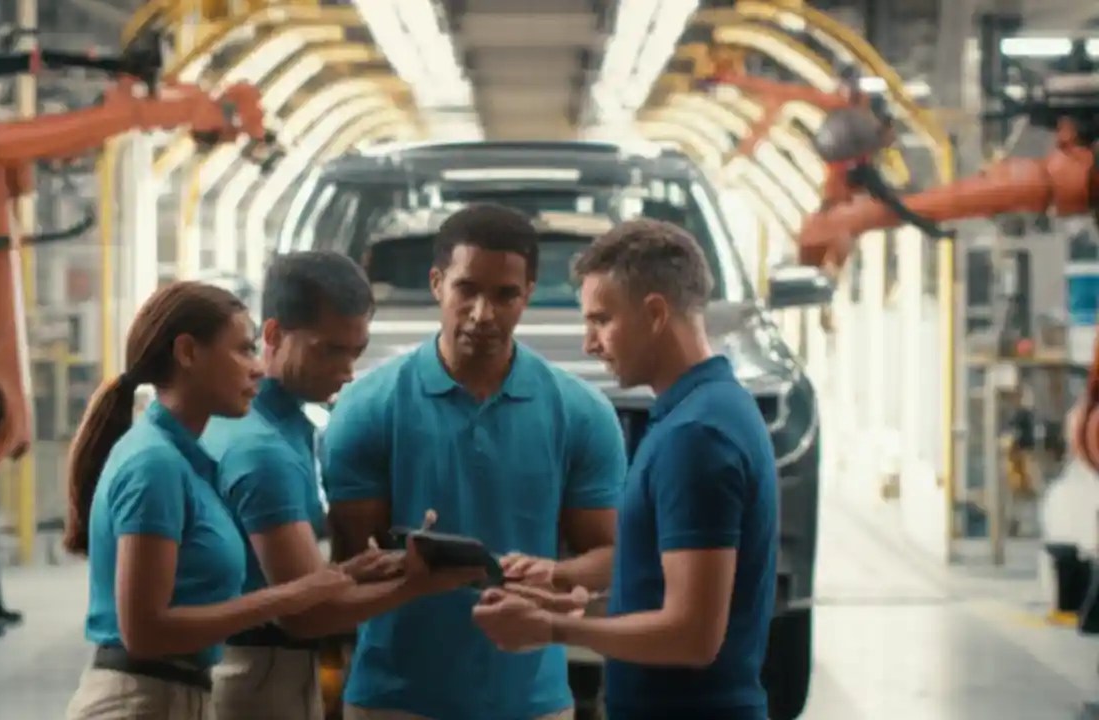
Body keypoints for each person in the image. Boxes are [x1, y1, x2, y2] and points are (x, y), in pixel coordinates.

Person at [320, 203, 628, 720]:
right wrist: (411, 568)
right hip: (392, 702)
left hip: (532, 703)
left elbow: (611, 554)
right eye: (467, 290)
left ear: (528, 293)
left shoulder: (581, 412)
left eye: (505, 294)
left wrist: (554, 572)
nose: (483, 314)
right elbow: (354, 567)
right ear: (438, 283)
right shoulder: (368, 407)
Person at [472, 219, 780, 720]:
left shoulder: (695, 438)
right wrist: (560, 594)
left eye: (601, 320)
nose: (590, 344)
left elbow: (692, 636)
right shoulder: (707, 411)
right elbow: (665, 582)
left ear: (655, 313)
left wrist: (552, 631)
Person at [200, 251, 482, 720]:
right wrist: (418, 584)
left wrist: (371, 567)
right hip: (260, 674)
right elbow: (306, 612)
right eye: (329, 350)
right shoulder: (263, 449)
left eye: (356, 351)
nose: (348, 371)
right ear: (272, 335)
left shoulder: (273, 424)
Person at [62, 280, 354, 720]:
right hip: (140, 703)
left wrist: (347, 575)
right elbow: (145, 632)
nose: (257, 368)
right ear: (187, 353)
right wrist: (289, 596)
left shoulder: (188, 460)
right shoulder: (154, 465)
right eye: (242, 350)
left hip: (175, 698)